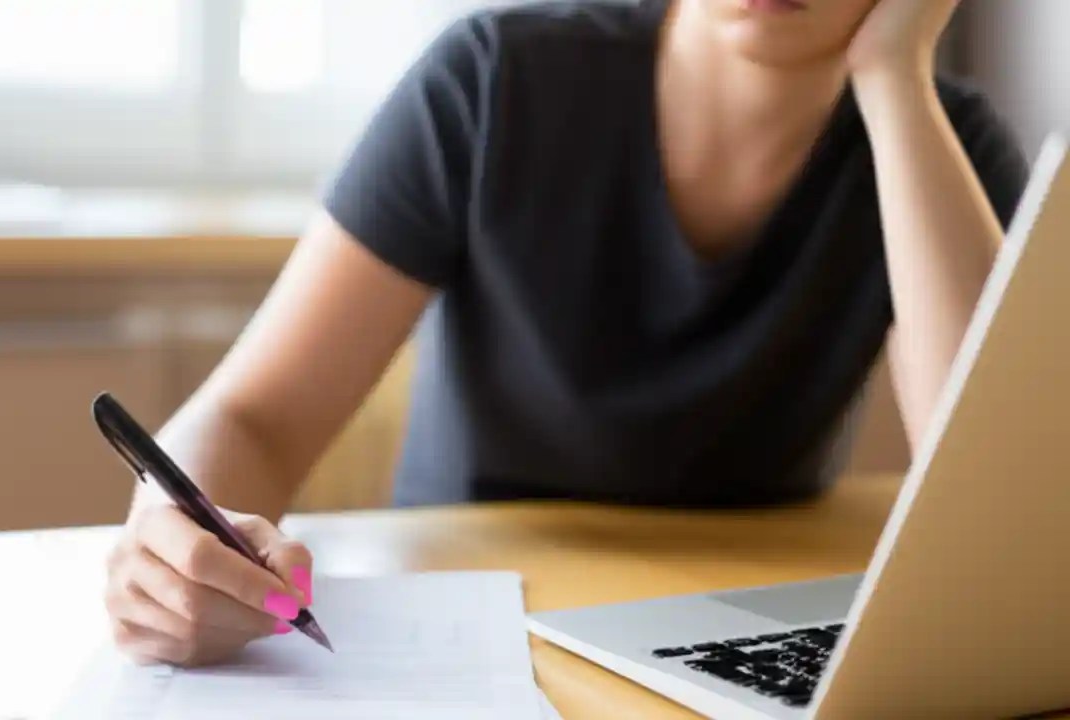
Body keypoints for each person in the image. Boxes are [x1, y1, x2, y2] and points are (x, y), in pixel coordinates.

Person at [104, 0, 1029, 666]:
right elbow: (255, 412)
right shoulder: (495, 77)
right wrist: (176, 545)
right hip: (474, 636)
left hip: (734, 630)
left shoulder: (945, 147)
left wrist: (897, 78)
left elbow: (1003, 495)